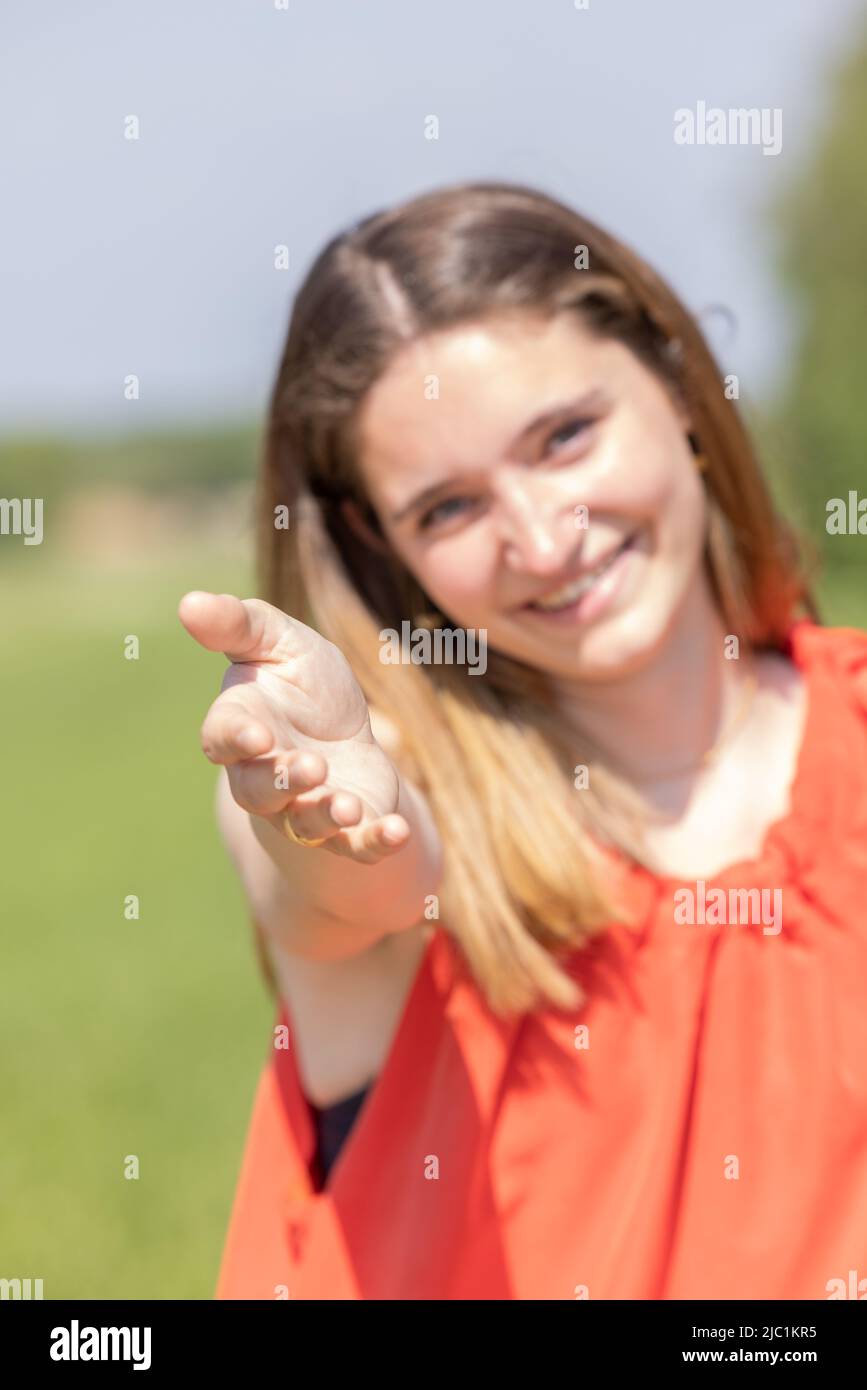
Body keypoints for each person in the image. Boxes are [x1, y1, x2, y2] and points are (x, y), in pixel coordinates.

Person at [178, 181, 867, 1300]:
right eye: (449, 509)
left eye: (565, 437)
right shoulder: (408, 803)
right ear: (381, 547)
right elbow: (346, 878)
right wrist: (333, 811)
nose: (546, 542)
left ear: (679, 385)